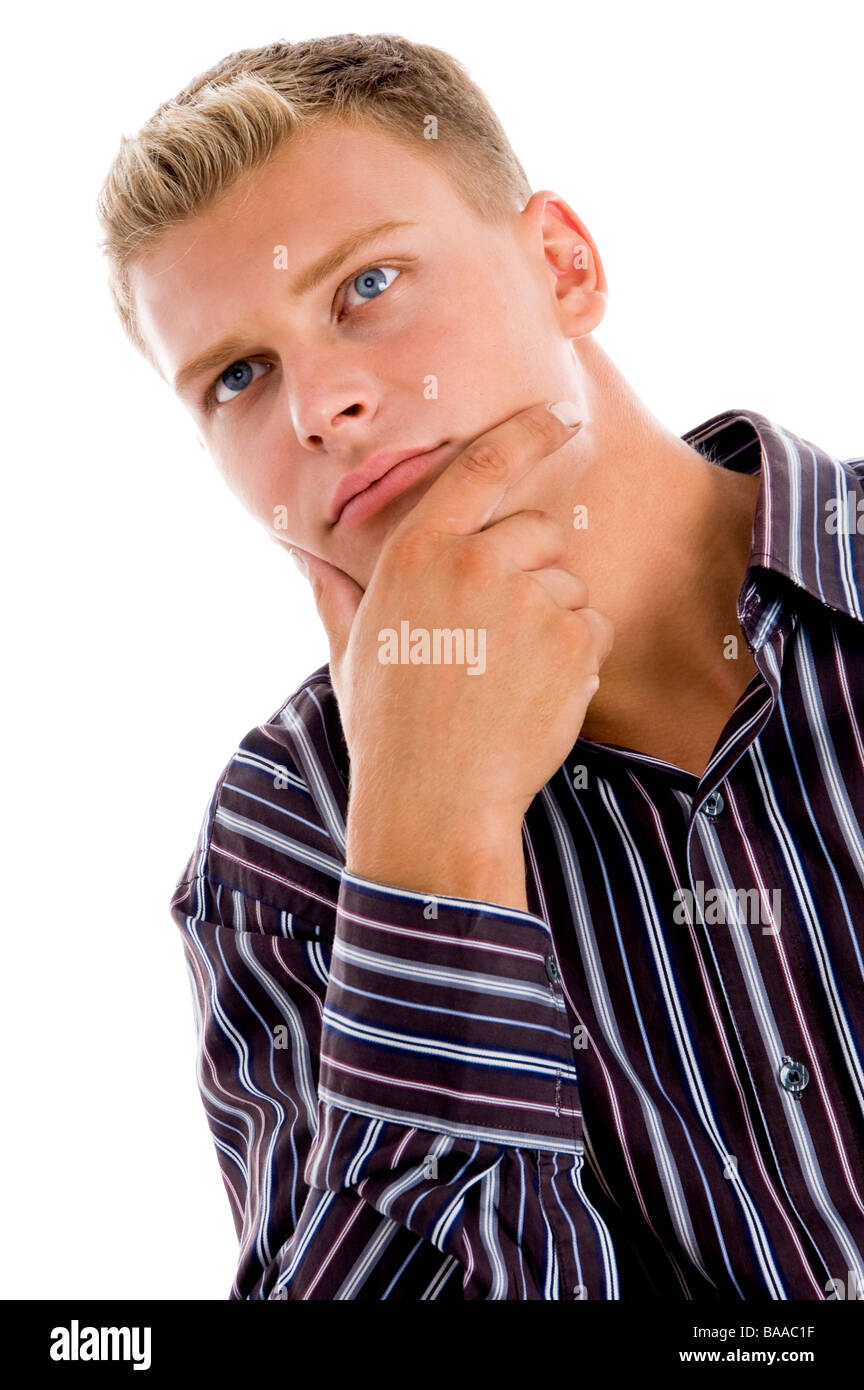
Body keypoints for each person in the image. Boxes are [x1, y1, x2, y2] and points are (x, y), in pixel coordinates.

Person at [97, 33, 864, 1300]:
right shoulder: (286, 839)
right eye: (238, 375)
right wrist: (430, 841)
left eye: (368, 284)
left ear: (563, 265)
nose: (317, 409)